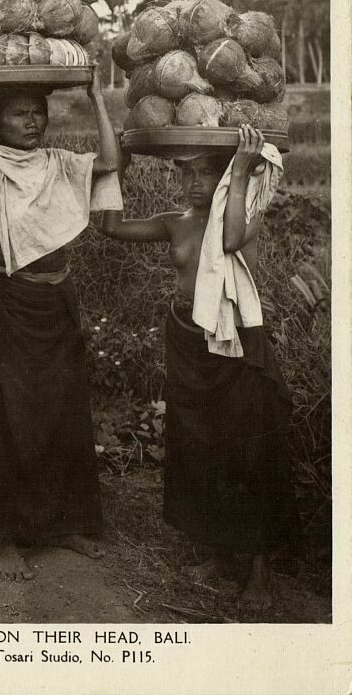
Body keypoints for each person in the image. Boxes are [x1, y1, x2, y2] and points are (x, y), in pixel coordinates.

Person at [102, 125, 300, 609]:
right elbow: (110, 226)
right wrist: (117, 168)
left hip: (234, 343)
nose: (194, 183)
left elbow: (229, 240)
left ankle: (258, 572)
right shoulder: (175, 221)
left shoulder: (246, 212)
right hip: (188, 342)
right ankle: (217, 550)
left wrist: (241, 170)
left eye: (206, 172)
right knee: (200, 444)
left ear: (225, 174)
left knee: (247, 449)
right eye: (185, 172)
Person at [0, 63, 122, 581]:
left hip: (56, 299)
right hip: (9, 300)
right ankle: (6, 536)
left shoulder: (58, 163)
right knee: (10, 416)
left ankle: (63, 524)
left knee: (62, 411)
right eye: (19, 113)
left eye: (38, 112)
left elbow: (110, 161)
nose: (32, 121)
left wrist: (97, 97)